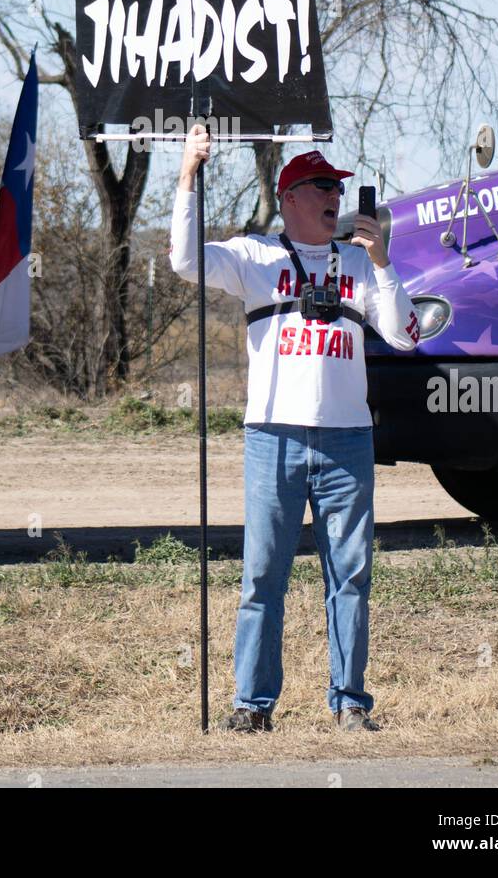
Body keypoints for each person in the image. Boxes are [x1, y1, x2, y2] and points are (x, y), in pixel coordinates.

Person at [170, 124, 420, 732]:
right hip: (272, 437)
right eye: (319, 186)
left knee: (351, 575)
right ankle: (252, 706)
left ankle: (351, 704)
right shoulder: (254, 256)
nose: (334, 196)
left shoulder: (362, 264)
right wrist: (187, 173)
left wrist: (383, 260)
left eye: (336, 187)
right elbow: (183, 261)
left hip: (347, 440)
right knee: (262, 576)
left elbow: (406, 335)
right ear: (288, 197)